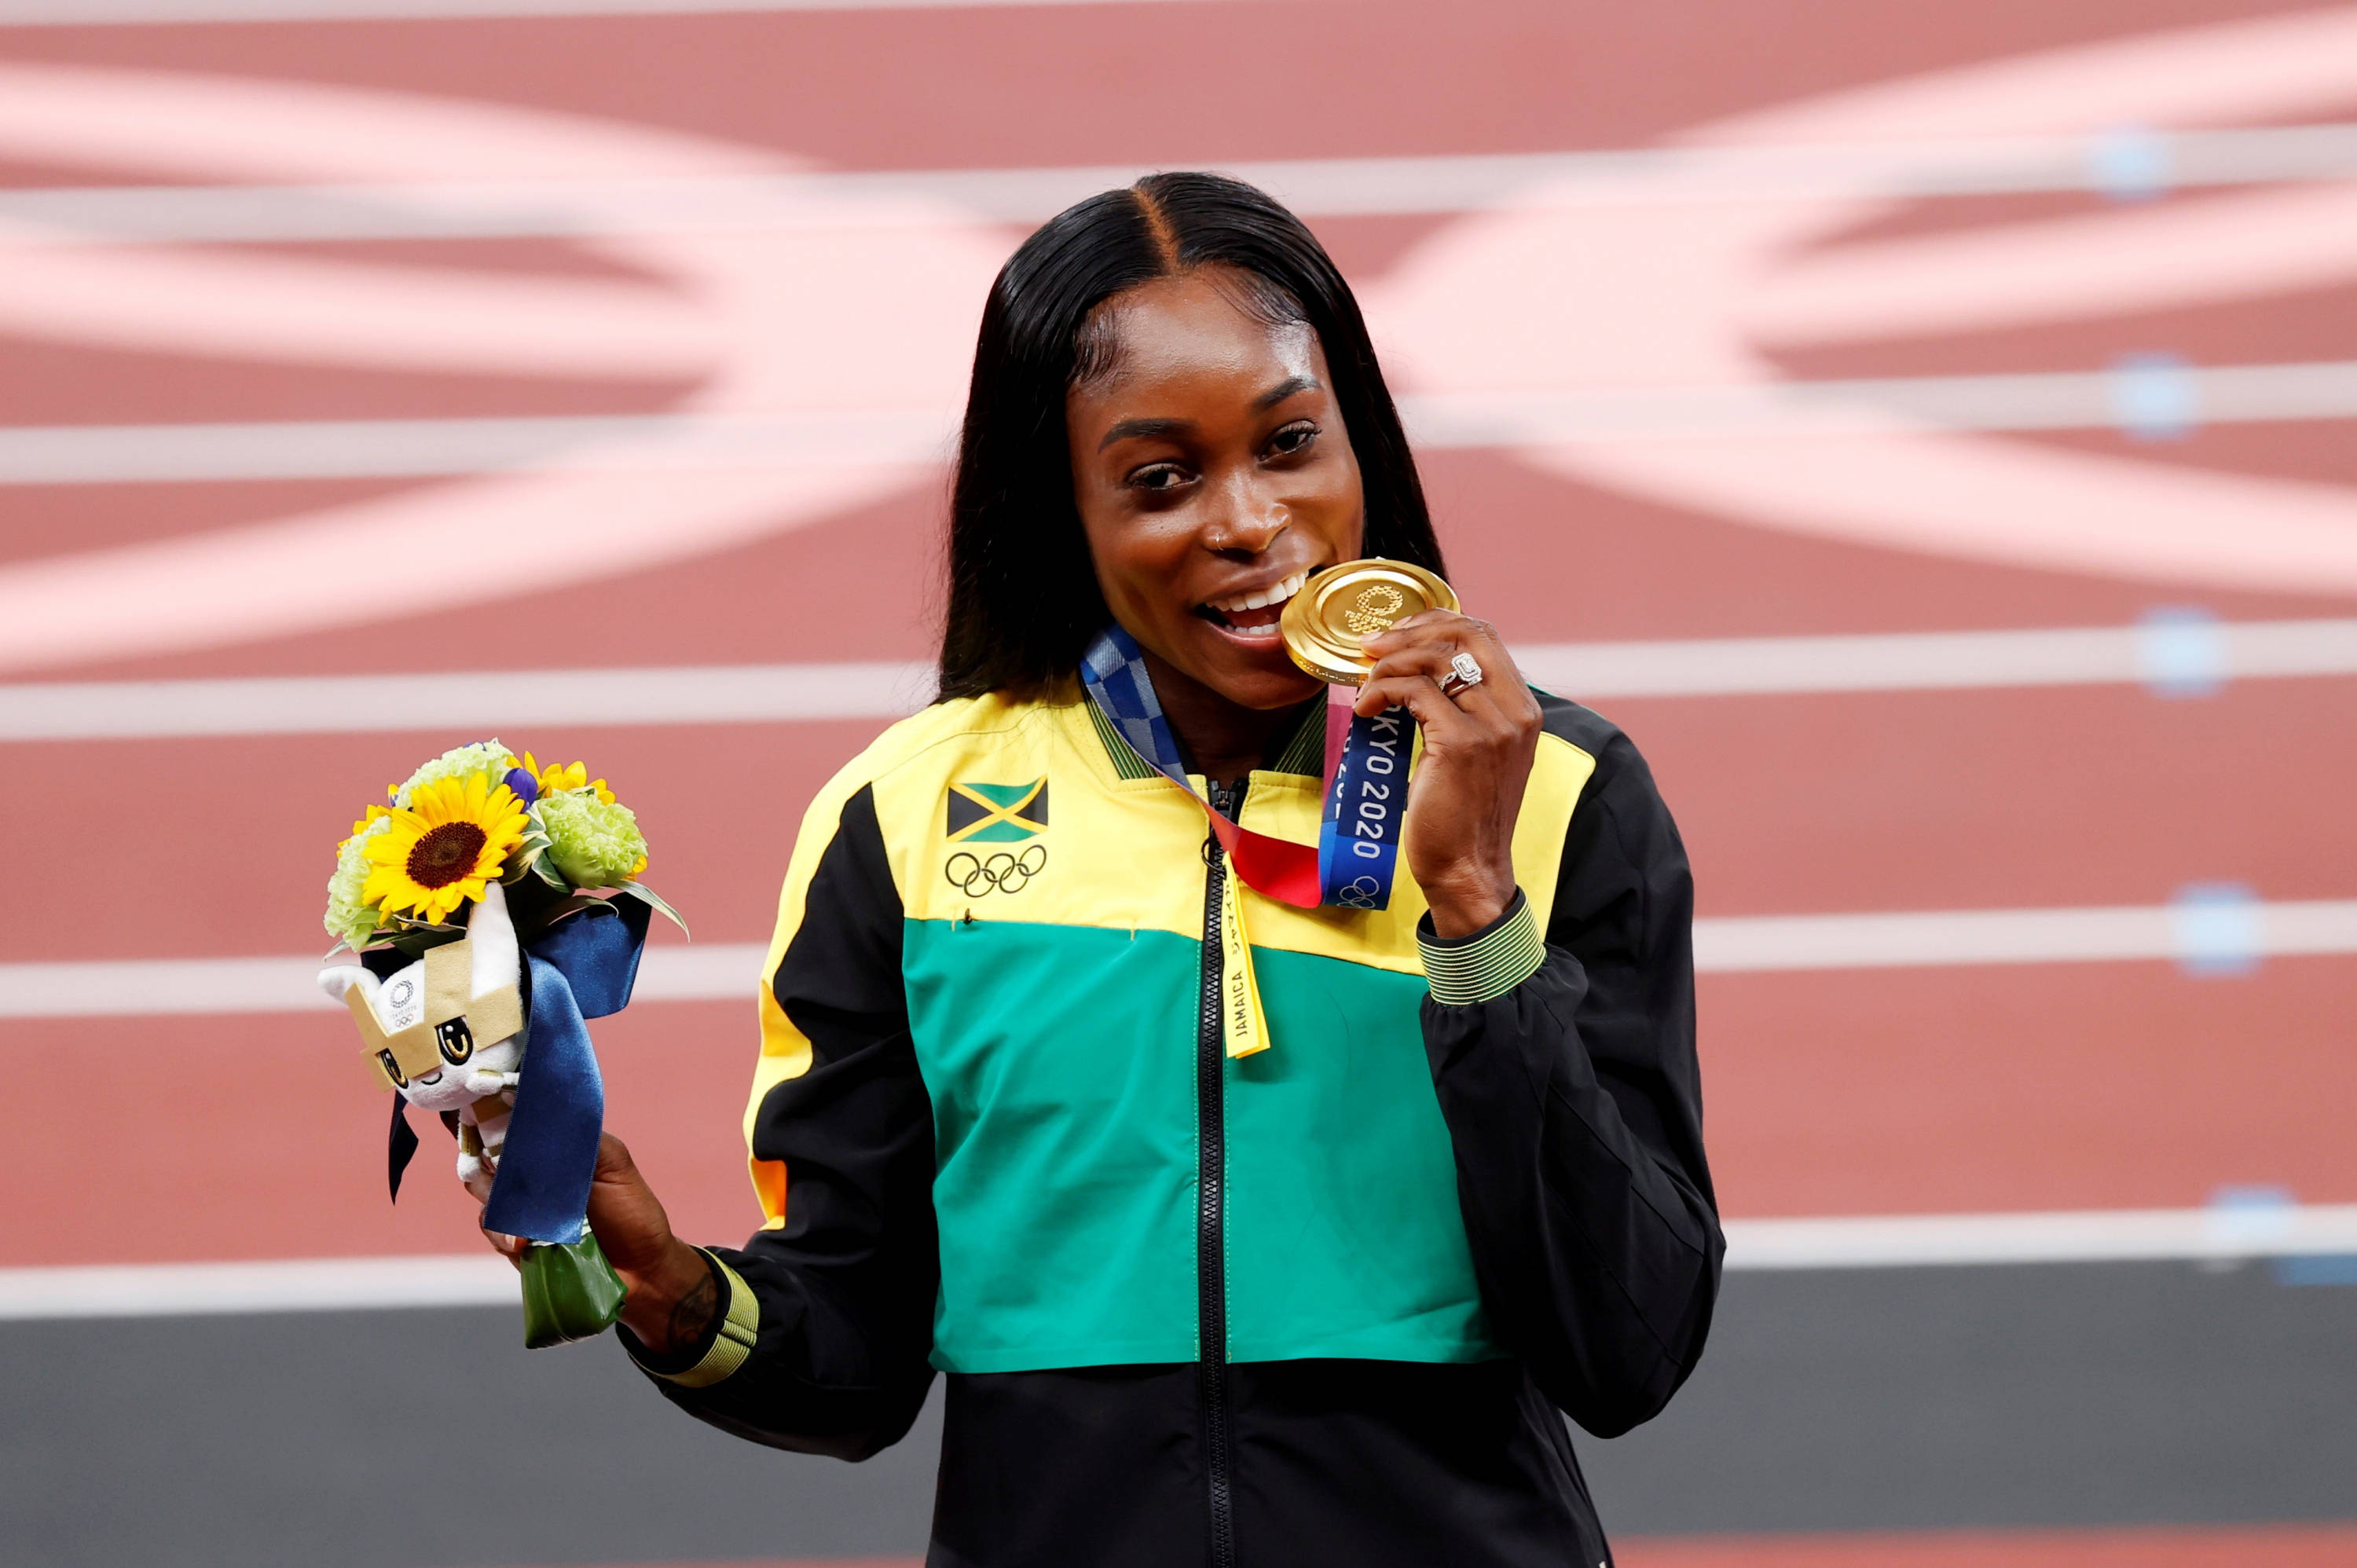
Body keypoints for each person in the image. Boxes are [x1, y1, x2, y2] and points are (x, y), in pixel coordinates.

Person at [479, 171, 1721, 1568]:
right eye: (1161, 479)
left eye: (1292, 442)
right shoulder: (910, 818)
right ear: (1057, 508)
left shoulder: (1555, 792)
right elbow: (855, 1359)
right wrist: (662, 1287)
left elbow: (1634, 1345)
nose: (1250, 521)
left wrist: (1477, 913)